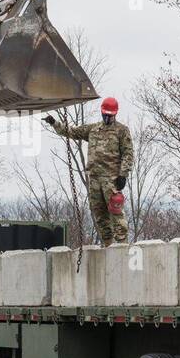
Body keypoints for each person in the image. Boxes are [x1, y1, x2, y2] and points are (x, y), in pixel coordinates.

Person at [43, 96, 134, 246]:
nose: (107, 117)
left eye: (110, 115)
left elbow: (128, 153)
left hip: (111, 179)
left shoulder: (121, 131)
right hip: (94, 179)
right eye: (105, 114)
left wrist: (123, 174)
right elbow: (71, 132)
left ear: (115, 114)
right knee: (100, 215)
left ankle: (122, 245)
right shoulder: (93, 129)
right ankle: (108, 245)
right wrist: (54, 123)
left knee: (116, 212)